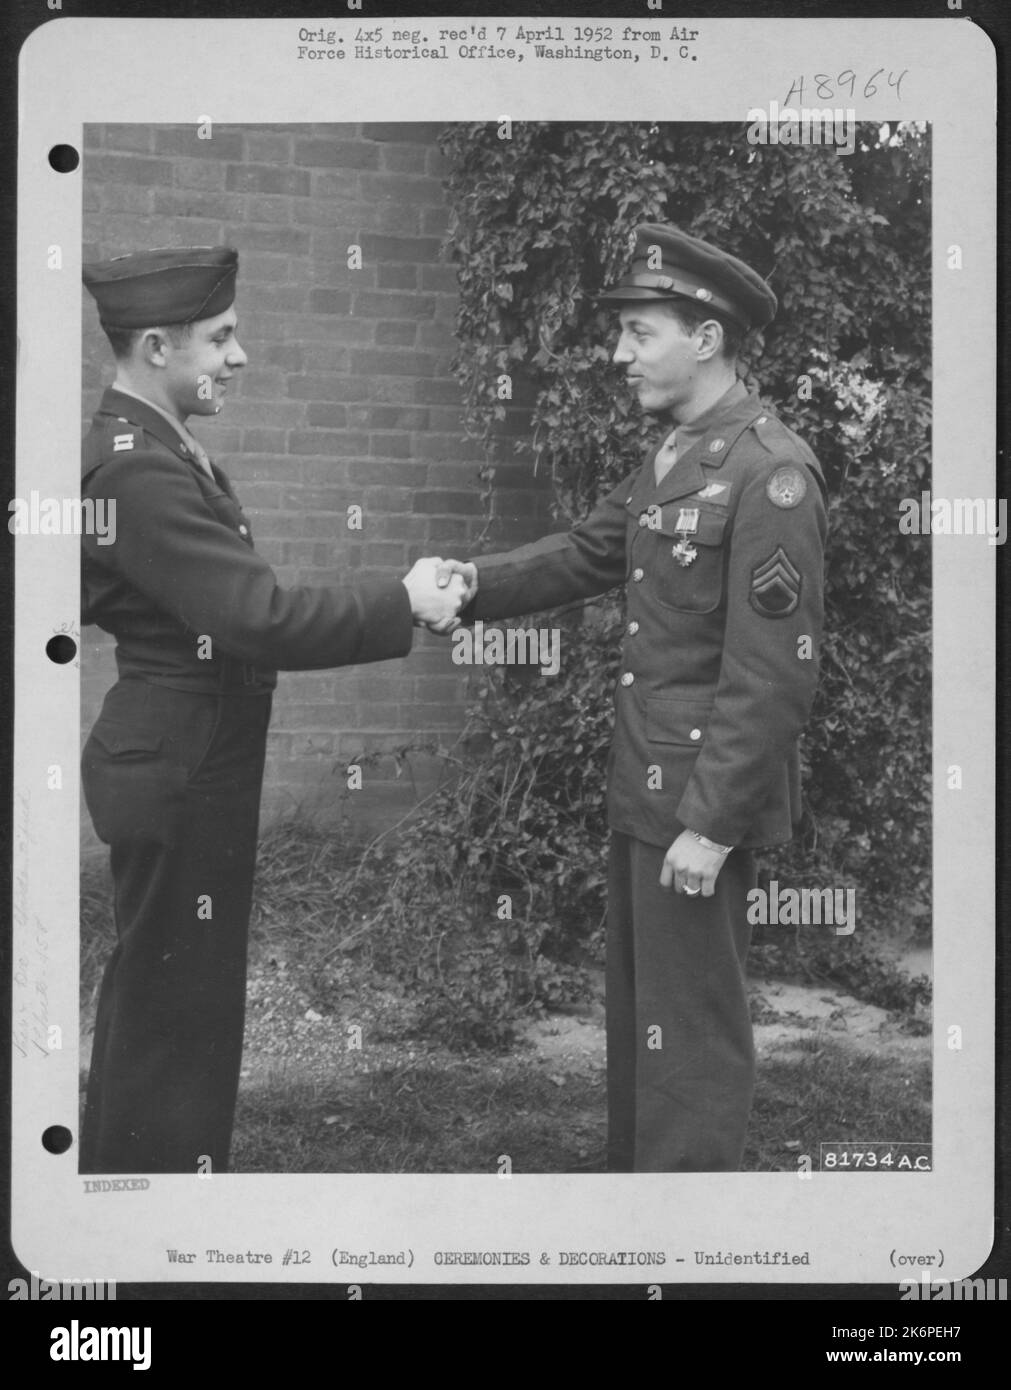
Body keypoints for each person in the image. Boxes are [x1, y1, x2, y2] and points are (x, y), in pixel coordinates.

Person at [433, 224, 828, 1172]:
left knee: (688, 1031)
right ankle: (639, 1217)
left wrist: (714, 822)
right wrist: (471, 582)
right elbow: (583, 551)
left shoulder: (767, 473)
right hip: (645, 790)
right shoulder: (676, 458)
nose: (618, 355)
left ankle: (686, 1238)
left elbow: (774, 673)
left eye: (638, 333)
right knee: (644, 1017)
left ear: (705, 337)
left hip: (697, 805)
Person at [79, 245, 467, 1173]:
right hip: (178, 764)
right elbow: (257, 616)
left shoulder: (161, 449)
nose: (239, 356)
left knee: (177, 1000)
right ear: (159, 347)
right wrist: (401, 600)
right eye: (221, 338)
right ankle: (150, 1217)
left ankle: (147, 1198)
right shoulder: (139, 470)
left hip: (185, 756)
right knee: (174, 1007)